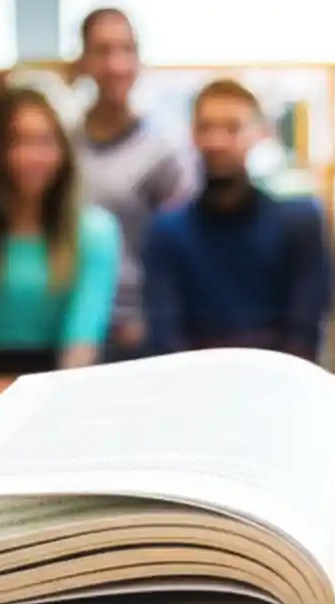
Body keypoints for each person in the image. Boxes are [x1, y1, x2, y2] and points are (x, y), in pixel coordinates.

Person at [0, 87, 120, 377]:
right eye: (17, 142)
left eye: (45, 141)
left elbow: (82, 344)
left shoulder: (96, 232)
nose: (32, 157)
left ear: (64, 151)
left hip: (60, 385)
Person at [143, 79, 332, 359]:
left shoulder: (300, 225)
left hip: (281, 388)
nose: (217, 141)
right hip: (192, 388)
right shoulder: (167, 231)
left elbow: (304, 336)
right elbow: (165, 338)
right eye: (206, 128)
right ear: (192, 135)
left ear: (260, 134)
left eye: (232, 128)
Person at [76, 7, 194, 360]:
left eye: (126, 50)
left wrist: (150, 317)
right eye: (102, 50)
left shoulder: (165, 149)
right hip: (68, 318)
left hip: (134, 327)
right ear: (83, 60)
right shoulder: (61, 143)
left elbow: (180, 249)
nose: (115, 65)